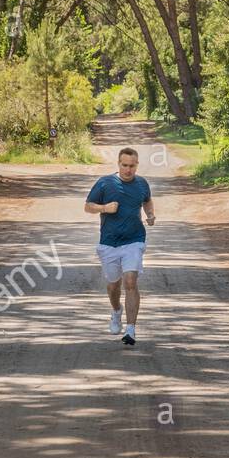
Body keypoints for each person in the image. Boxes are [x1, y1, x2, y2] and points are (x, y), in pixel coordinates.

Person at [84, 147, 155, 345]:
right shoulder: (105, 183)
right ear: (118, 164)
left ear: (137, 165)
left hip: (134, 239)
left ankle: (131, 330)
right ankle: (116, 311)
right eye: (124, 165)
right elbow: (88, 205)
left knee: (130, 280)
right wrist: (105, 208)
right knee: (113, 284)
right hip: (109, 243)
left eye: (132, 166)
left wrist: (150, 215)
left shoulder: (142, 183)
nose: (128, 170)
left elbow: (147, 200)